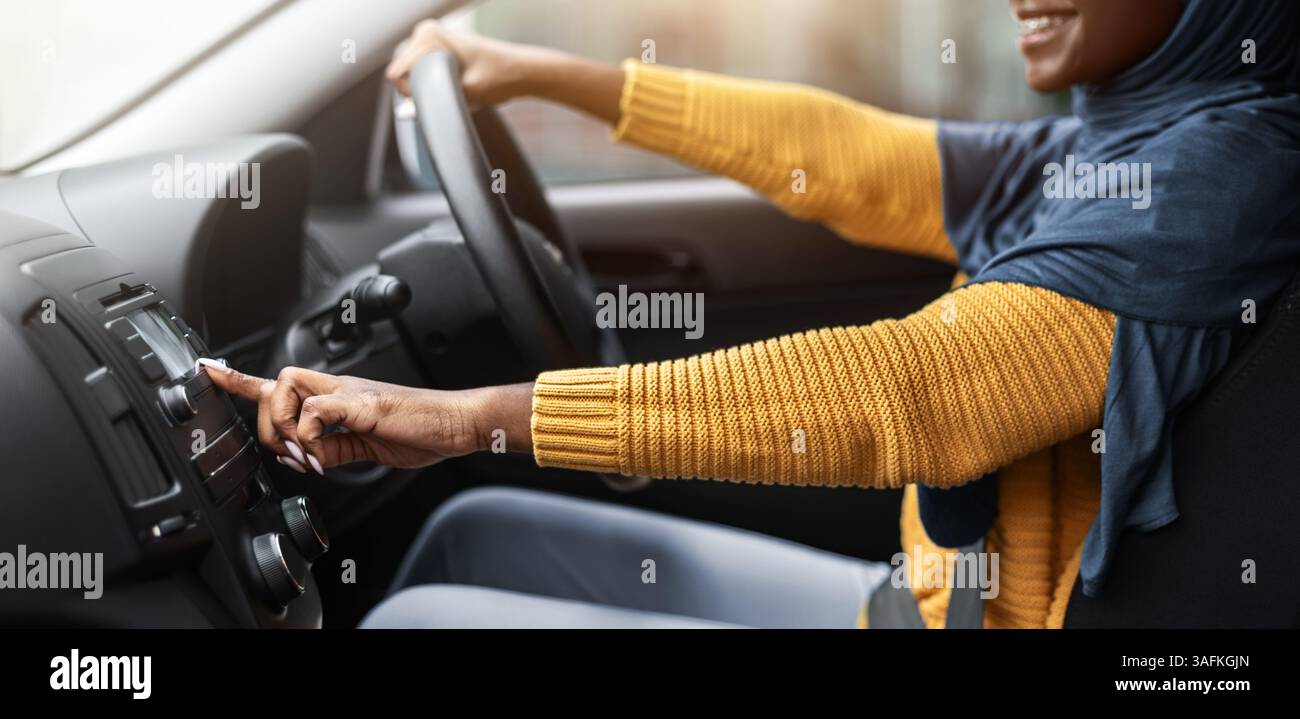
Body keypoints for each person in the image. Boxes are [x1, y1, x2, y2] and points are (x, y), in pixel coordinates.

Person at [202, 0, 1300, 628]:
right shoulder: (1108, 148)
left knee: (413, 624)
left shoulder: (1217, 178)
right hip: (920, 602)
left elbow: (913, 394)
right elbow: (851, 158)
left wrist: (461, 417)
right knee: (463, 537)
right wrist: (537, 74)